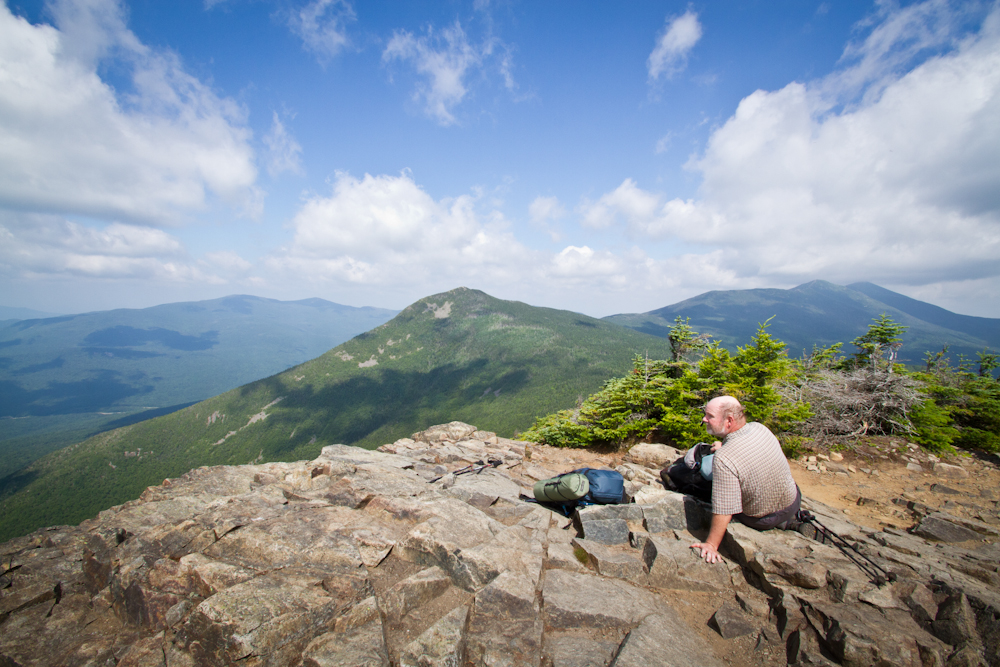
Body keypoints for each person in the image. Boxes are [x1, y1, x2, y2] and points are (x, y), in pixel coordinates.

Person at [688, 396, 801, 564]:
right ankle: (789, 521)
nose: (704, 419)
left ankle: (778, 523)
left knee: (709, 479)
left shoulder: (724, 458)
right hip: (793, 503)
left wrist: (711, 544)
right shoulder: (759, 428)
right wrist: (724, 446)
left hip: (760, 519)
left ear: (729, 420)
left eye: (710, 416)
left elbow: (725, 509)